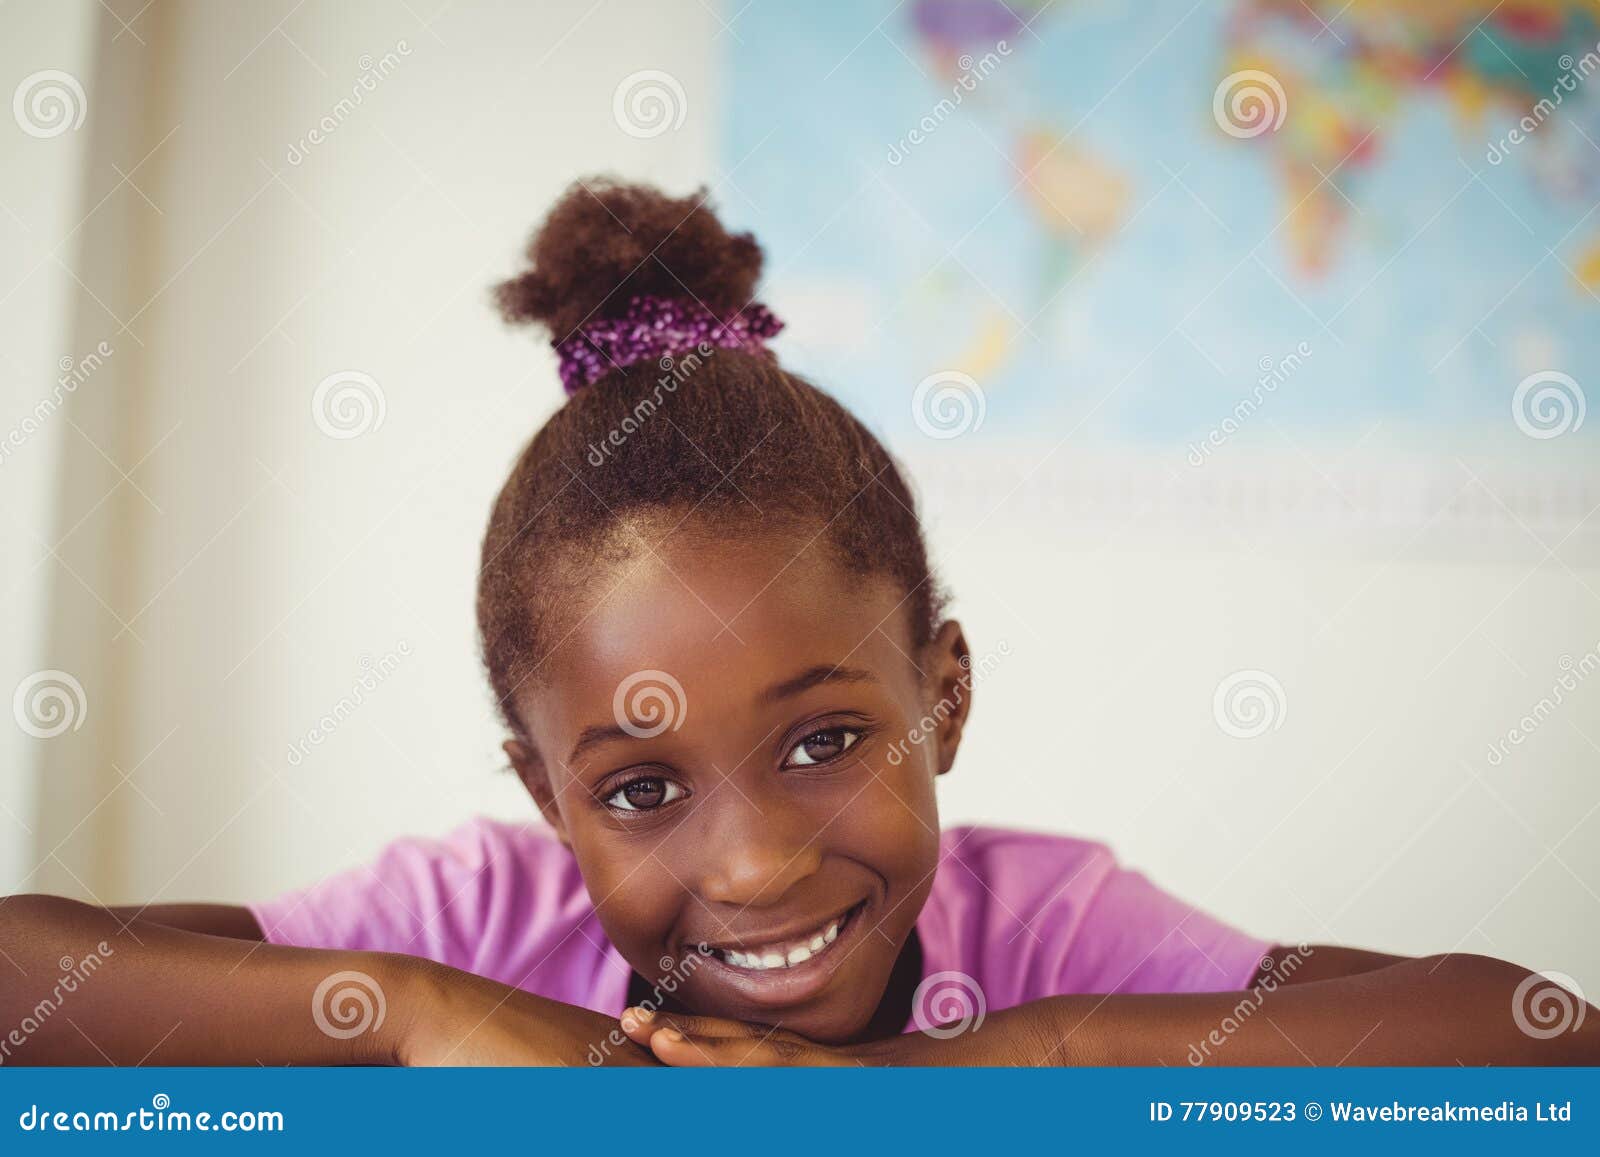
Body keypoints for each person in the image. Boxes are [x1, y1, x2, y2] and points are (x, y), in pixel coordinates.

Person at [4, 180, 1594, 1067]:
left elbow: (1533, 1037)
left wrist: (1003, 1068)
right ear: (544, 791)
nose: (757, 864)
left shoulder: (1040, 933)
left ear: (944, 694)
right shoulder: (472, 924)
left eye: (828, 738)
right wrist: (420, 1014)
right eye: (635, 785)